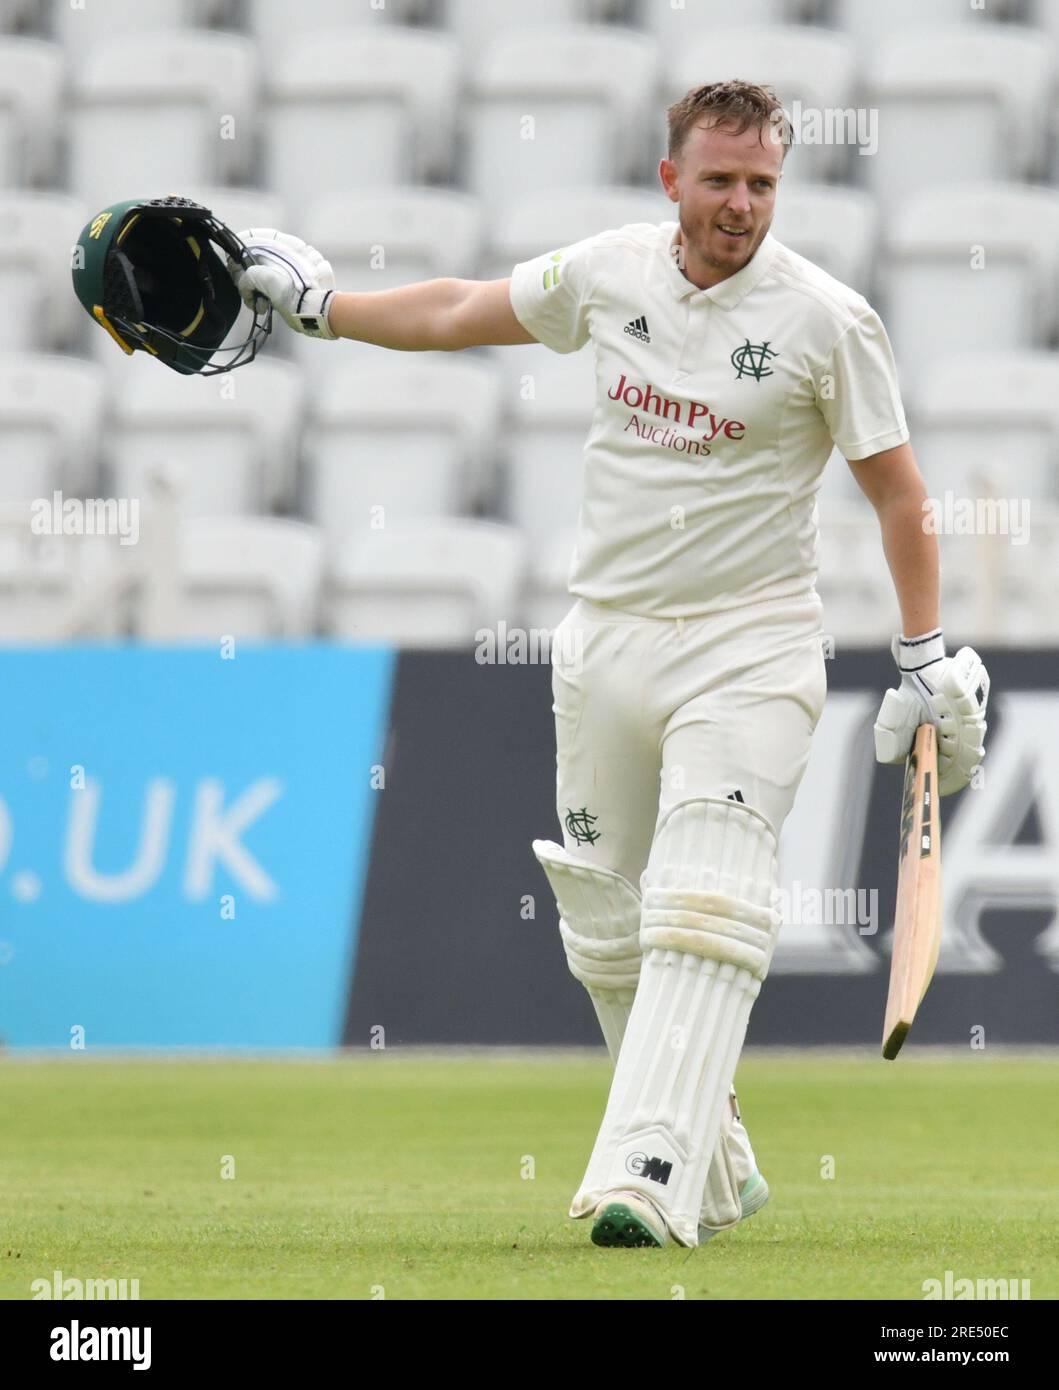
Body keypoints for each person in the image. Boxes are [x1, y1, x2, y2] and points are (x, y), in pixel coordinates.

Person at [229, 80, 989, 1249]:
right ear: (671, 178)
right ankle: (723, 1161)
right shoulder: (610, 272)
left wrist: (925, 652)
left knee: (704, 902)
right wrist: (326, 307)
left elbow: (900, 493)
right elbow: (459, 310)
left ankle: (647, 1174)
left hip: (751, 644)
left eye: (764, 185)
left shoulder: (827, 319)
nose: (742, 206)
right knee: (607, 923)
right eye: (722, 180)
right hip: (606, 639)